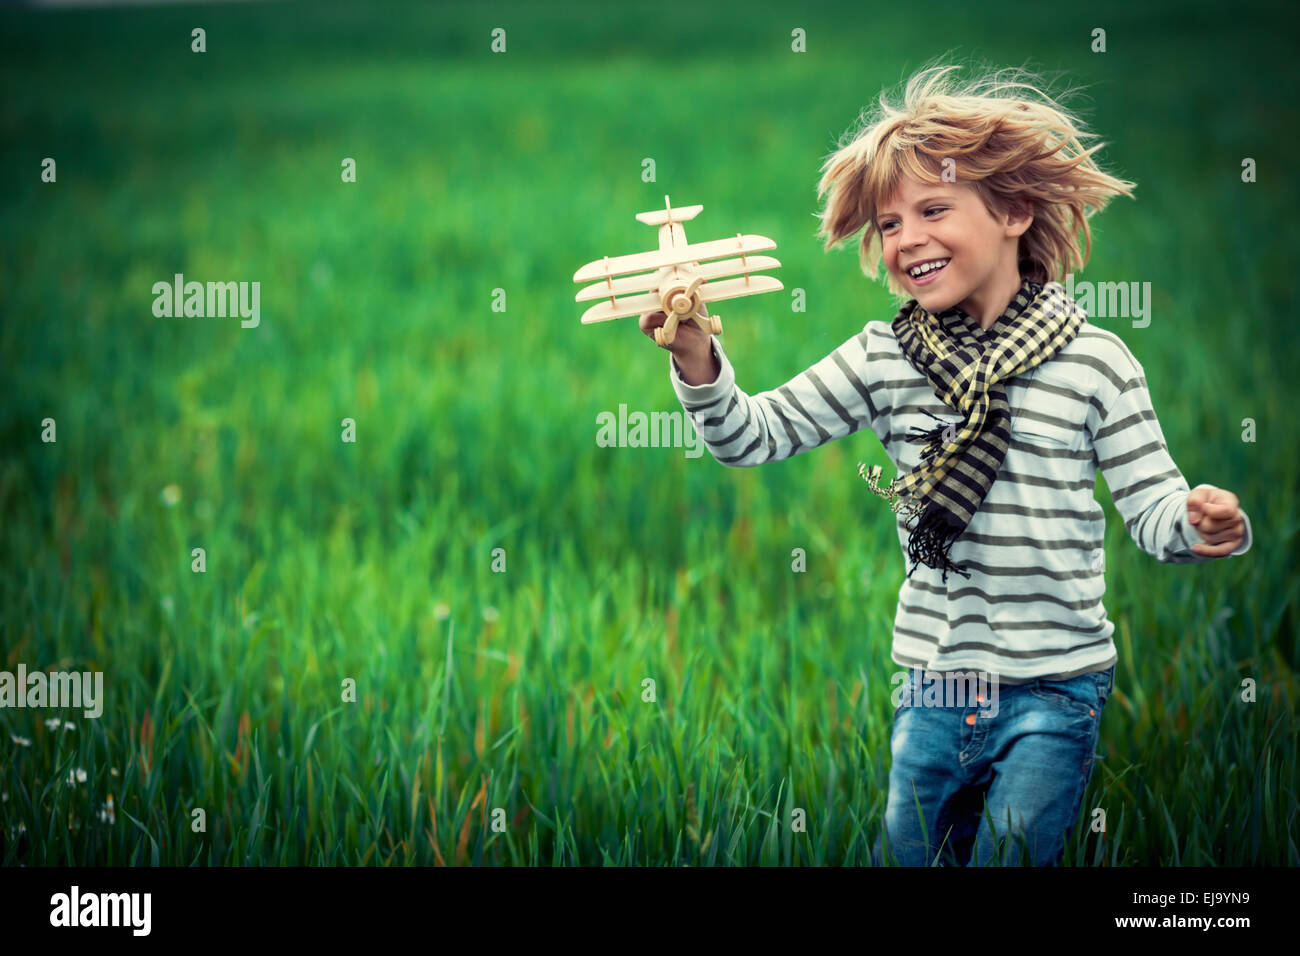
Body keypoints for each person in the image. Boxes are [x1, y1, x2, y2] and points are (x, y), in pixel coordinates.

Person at [640, 62, 1252, 866]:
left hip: (1055, 685)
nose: (907, 240)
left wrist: (1199, 522)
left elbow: (1151, 506)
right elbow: (751, 436)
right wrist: (697, 358)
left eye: (933, 210)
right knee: (911, 854)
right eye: (889, 226)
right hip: (931, 682)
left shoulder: (1094, 363)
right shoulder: (883, 358)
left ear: (1014, 211)